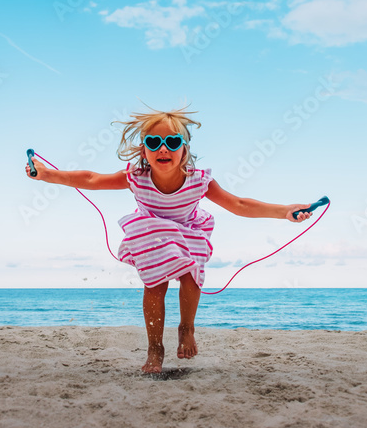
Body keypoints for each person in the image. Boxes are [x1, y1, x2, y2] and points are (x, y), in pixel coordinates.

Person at [25, 103, 315, 374]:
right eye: (154, 143)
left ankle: (186, 328)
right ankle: (155, 348)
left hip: (189, 231)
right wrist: (46, 175)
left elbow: (238, 205)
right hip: (152, 233)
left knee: (190, 274)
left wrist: (284, 211)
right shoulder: (135, 176)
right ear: (144, 151)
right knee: (155, 284)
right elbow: (90, 179)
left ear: (184, 150)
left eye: (172, 142)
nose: (163, 148)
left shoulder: (198, 179)